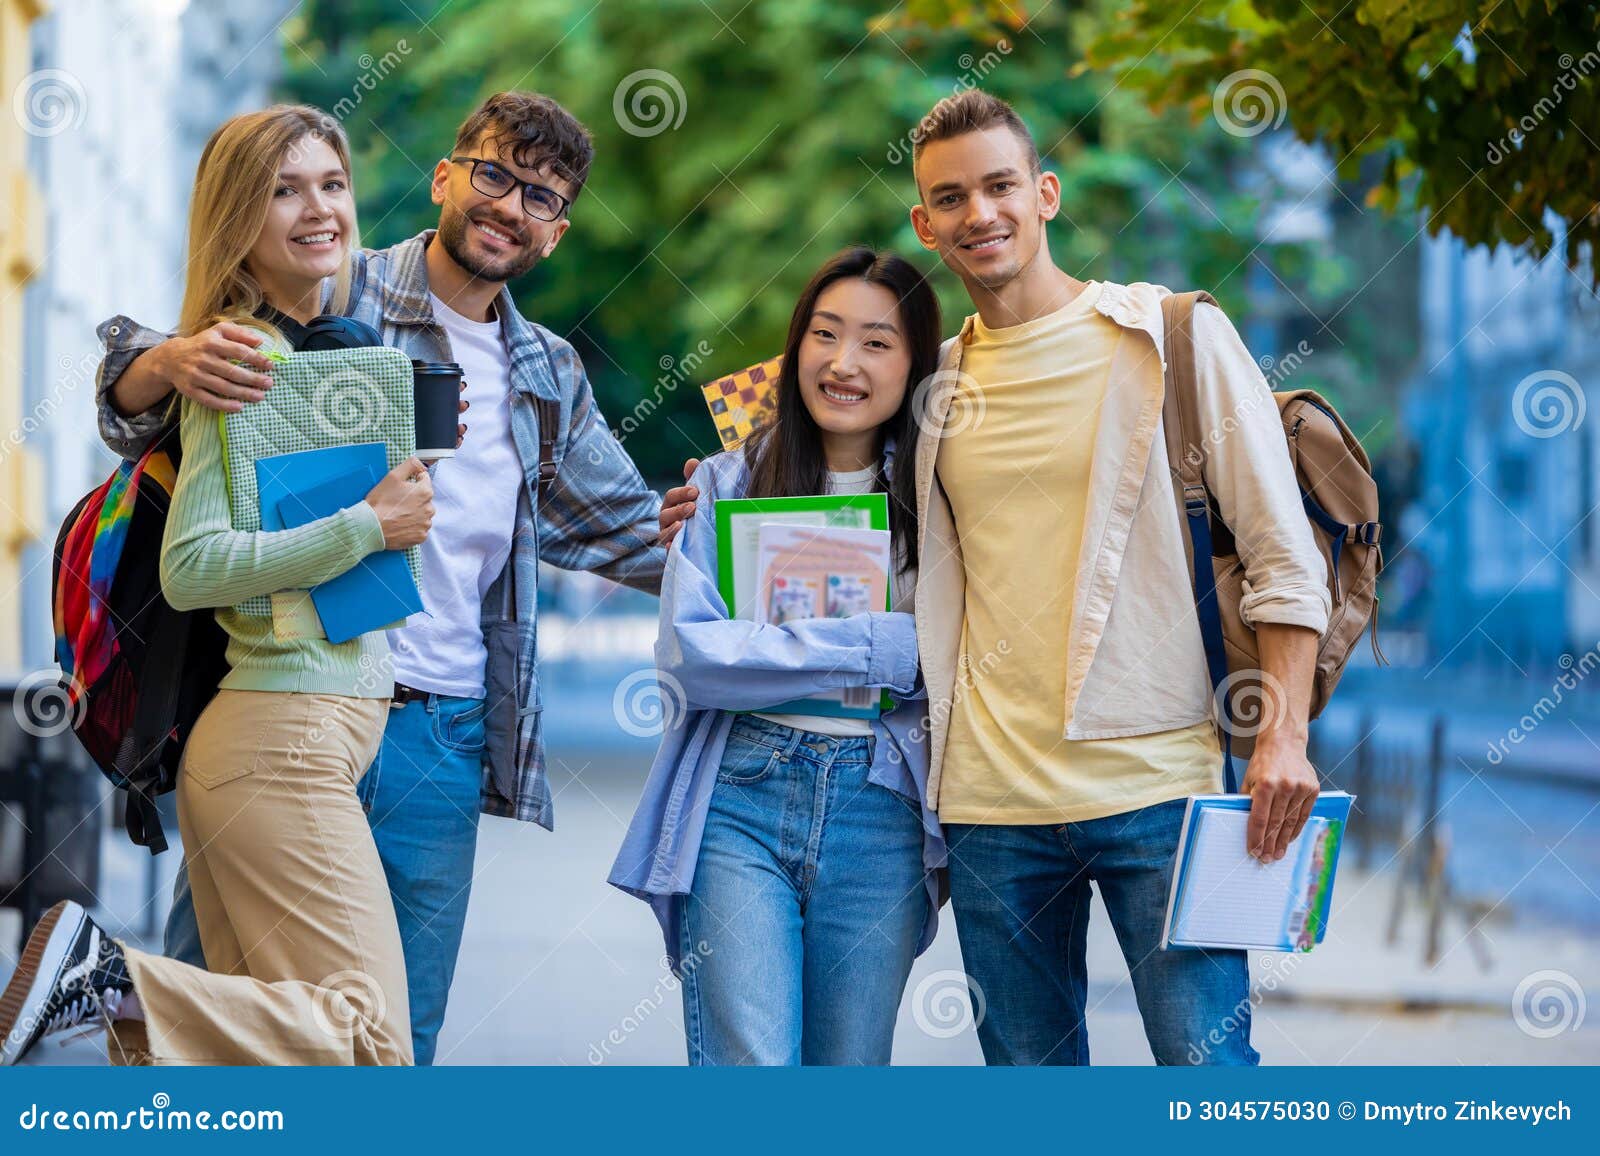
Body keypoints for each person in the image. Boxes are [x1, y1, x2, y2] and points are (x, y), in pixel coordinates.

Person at [658, 90, 1332, 1066]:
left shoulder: (1171, 336)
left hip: (1160, 787)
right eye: (951, 196)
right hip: (988, 805)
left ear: (1045, 193)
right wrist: (703, 496)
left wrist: (1282, 738)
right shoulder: (923, 383)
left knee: (1206, 1070)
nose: (980, 213)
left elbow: (1283, 554)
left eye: (1000, 186)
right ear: (922, 223)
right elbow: (801, 431)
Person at [87, 91, 669, 1065]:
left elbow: (626, 530)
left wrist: (782, 544)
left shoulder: (543, 368)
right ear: (446, 176)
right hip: (280, 698)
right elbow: (149, 366)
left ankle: (123, 1000)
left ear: (556, 233)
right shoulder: (330, 276)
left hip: (432, 727)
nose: (509, 204)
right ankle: (116, 994)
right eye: (493, 173)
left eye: (540, 195)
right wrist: (168, 362)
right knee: (253, 1009)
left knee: (396, 1036)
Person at [2, 105, 428, 1065]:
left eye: (331, 183)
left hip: (289, 738)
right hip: (281, 739)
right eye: (283, 190)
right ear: (238, 217)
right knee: (367, 1043)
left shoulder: (324, 353)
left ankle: (124, 1006)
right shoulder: (248, 358)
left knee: (259, 1059)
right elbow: (194, 568)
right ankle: (110, 980)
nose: (318, 208)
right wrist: (373, 524)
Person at [610, 248, 946, 1065]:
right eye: (824, 335)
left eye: (876, 342)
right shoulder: (728, 481)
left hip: (882, 803)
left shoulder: (943, 493)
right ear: (795, 349)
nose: (842, 363)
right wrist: (881, 643)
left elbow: (965, 652)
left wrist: (765, 650)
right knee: (751, 1071)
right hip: (739, 797)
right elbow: (693, 657)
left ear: (916, 366)